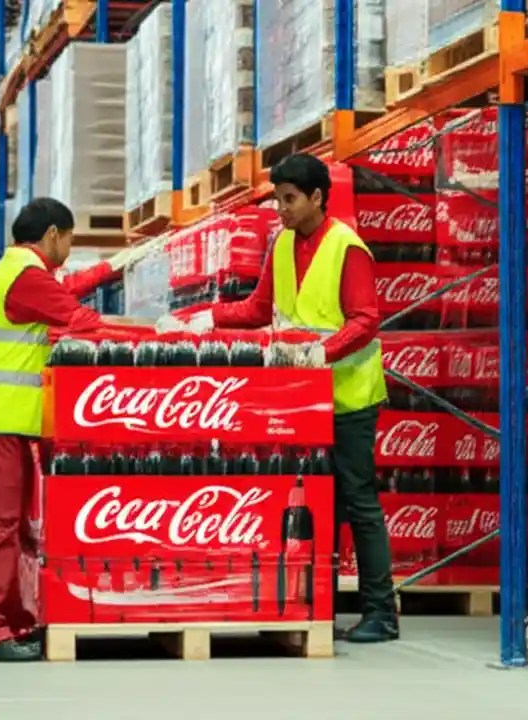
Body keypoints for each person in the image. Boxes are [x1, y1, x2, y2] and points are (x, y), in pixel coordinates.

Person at [160, 153, 399, 643]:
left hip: (349, 395)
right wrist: (208, 318)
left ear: (316, 197)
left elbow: (365, 319)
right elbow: (259, 309)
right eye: (277, 200)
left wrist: (320, 352)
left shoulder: (346, 247)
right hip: (303, 399)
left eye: (289, 199)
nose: (281, 210)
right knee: (315, 503)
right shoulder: (283, 246)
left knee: (358, 500)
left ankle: (381, 612)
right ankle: (320, 605)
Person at [0, 197, 120, 662]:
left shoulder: (18, 272)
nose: (69, 246)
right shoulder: (26, 277)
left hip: (2, 418)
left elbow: (63, 291)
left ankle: (9, 621)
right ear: (52, 236)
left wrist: (109, 269)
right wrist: (149, 334)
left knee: (14, 524)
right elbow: (79, 319)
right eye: (69, 238)